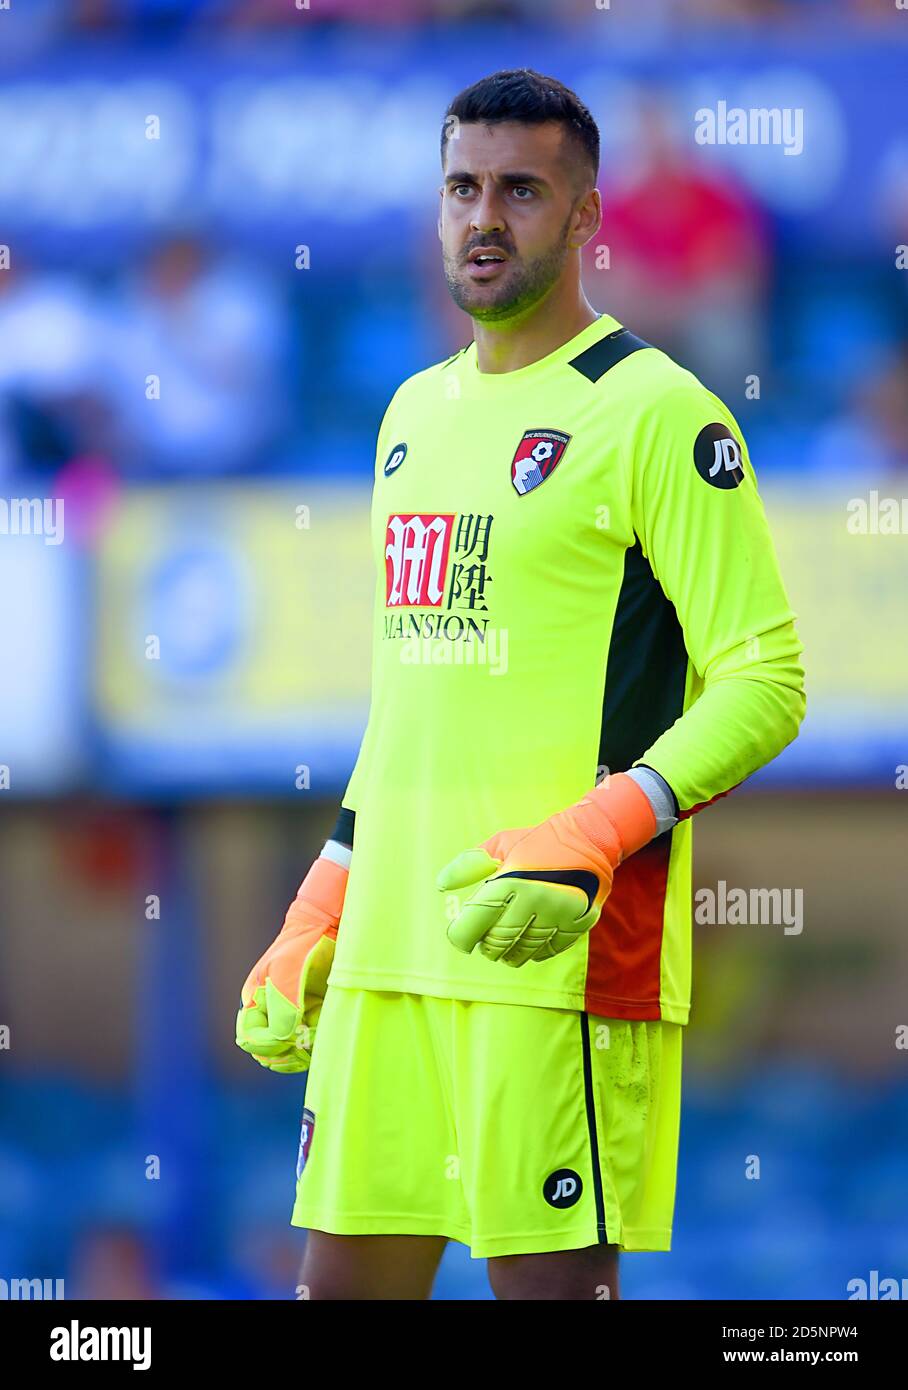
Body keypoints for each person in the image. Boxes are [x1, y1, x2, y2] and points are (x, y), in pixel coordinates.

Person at [237, 68, 805, 1300]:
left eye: (520, 191)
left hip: (549, 958)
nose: (482, 217)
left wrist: (595, 834)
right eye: (460, 188)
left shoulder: (657, 411)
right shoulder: (406, 415)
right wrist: (325, 895)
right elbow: (408, 703)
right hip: (389, 961)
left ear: (586, 215)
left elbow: (765, 681)